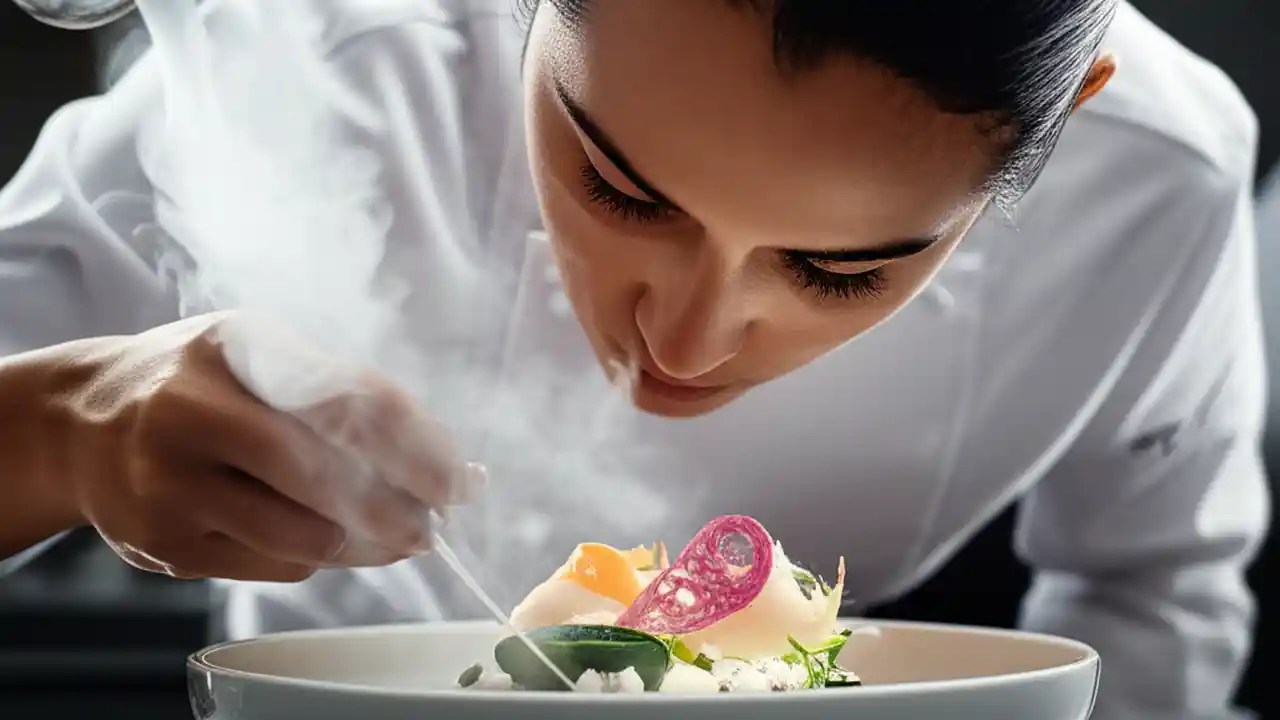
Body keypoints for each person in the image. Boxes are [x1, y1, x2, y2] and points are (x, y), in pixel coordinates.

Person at [0, 0, 1268, 717]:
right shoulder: (334, 68)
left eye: (839, 270)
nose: (683, 346)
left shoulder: (1158, 183)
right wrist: (64, 431)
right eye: (618, 187)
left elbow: (1153, 590)